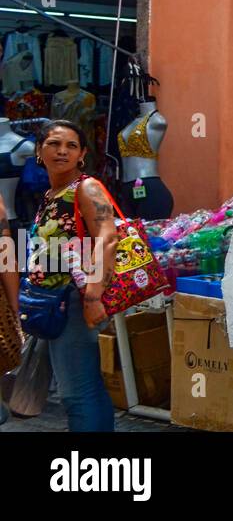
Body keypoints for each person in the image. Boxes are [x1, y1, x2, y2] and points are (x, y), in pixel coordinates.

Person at [26, 120, 119, 431]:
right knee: (79, 389)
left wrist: (93, 296)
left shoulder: (86, 188)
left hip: (76, 302)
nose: (62, 151)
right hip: (55, 304)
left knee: (78, 393)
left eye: (71, 146)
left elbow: (108, 237)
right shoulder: (53, 193)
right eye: (53, 144)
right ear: (39, 151)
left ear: (82, 154)